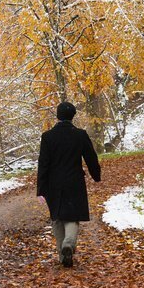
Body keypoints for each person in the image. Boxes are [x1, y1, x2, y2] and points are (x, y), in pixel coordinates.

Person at [36, 101, 101, 267]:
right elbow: (91, 158)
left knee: (57, 218)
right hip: (74, 181)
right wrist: (96, 175)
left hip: (53, 183)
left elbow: (43, 164)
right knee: (72, 216)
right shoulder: (80, 135)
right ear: (73, 116)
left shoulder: (48, 137)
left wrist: (41, 189)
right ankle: (69, 244)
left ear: (57, 116)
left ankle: (62, 255)